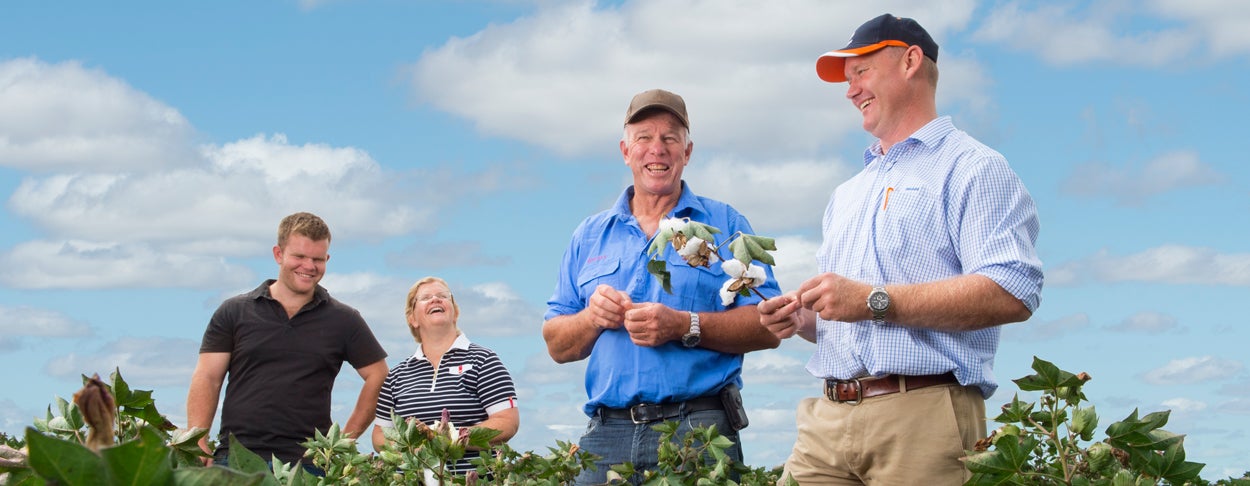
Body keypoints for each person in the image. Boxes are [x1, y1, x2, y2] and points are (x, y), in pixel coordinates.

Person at [758, 14, 1044, 485]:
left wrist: (874, 300)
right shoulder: (847, 193)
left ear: (911, 61)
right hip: (826, 421)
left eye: (862, 72)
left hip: (926, 417)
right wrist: (803, 320)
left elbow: (1011, 291)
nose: (851, 91)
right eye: (848, 80)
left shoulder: (975, 168)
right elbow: (850, 318)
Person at [543, 88, 782, 485]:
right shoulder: (589, 235)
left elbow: (769, 325)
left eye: (670, 138)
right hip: (606, 434)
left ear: (687, 153)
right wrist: (592, 318)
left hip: (699, 429)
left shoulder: (725, 224)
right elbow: (556, 343)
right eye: (644, 138)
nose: (658, 149)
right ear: (625, 150)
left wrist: (684, 326)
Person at [186, 211, 389, 472]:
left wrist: (341, 443)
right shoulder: (234, 311)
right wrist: (198, 439)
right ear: (278, 254)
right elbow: (207, 377)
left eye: (318, 259)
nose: (309, 266)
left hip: (308, 467)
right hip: (236, 460)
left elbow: (379, 376)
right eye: (300, 256)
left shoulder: (344, 319)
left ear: (327, 259)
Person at [371, 276, 520, 476]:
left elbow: (507, 421)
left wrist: (450, 438)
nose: (435, 299)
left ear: (455, 312)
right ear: (412, 318)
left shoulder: (484, 360)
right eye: (425, 297)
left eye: (443, 296)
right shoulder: (397, 375)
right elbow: (379, 434)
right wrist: (410, 447)